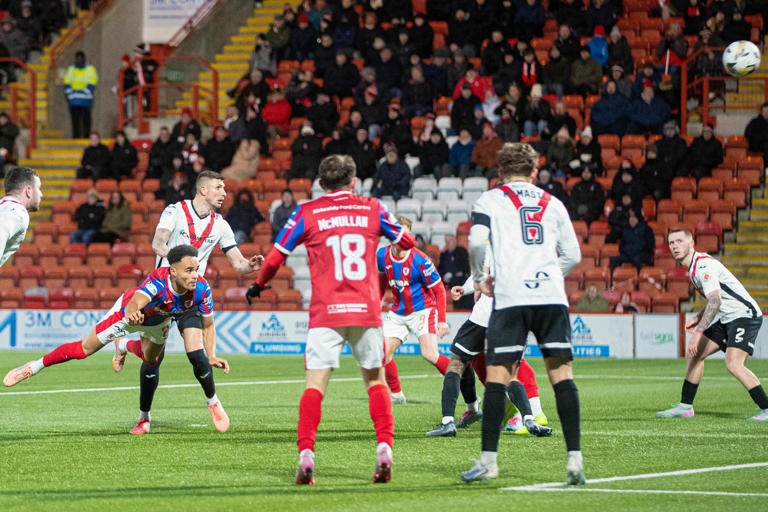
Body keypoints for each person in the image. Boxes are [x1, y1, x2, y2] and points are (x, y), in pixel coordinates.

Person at [245, 154, 416, 484]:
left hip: (326, 312)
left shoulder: (307, 211)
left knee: (315, 386)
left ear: (321, 184)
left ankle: (307, 456)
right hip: (365, 310)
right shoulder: (373, 207)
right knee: (376, 382)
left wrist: (259, 284)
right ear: (354, 181)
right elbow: (406, 241)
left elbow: (276, 257)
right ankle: (384, 450)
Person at [2, 245, 235, 431]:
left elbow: (208, 325)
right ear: (173, 271)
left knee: (150, 359)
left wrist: (212, 355)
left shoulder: (201, 288)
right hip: (128, 315)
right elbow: (136, 300)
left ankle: (123, 345)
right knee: (84, 350)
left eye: (196, 269)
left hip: (159, 321)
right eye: (189, 270)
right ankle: (33, 367)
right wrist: (132, 312)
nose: (194, 275)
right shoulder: (157, 283)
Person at [461, 142, 583, 484]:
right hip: (550, 297)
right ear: (535, 171)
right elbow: (573, 254)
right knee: (562, 376)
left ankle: (488, 462)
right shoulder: (553, 202)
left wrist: (480, 279)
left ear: (500, 171)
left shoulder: (490, 199)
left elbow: (476, 243)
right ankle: (574, 461)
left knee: (498, 377)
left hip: (511, 296)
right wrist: (548, 274)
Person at [132, 171, 262, 435]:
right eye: (219, 187)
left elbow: (238, 262)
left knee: (196, 353)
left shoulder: (220, 225)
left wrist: (249, 266)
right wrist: (179, 261)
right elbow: (158, 242)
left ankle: (213, 401)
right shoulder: (175, 211)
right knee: (152, 360)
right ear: (203, 189)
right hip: (162, 294)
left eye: (224, 188)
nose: (224, 193)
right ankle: (144, 417)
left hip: (190, 295)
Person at [426, 249, 550, 438]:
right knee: (510, 375)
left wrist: (468, 288)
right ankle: (529, 418)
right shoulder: (526, 251)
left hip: (482, 318)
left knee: (457, 364)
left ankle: (448, 422)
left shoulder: (492, 244)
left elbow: (480, 276)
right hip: (512, 320)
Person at [657, 229, 768, 422]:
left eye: (680, 241)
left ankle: (766, 407)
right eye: (671, 242)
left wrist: (697, 333)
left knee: (733, 363)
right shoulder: (694, 266)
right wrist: (698, 317)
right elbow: (717, 299)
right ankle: (685, 406)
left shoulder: (703, 267)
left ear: (691, 243)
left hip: (745, 315)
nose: (675, 246)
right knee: (695, 355)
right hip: (728, 317)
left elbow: (715, 301)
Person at [376, 216, 451, 404]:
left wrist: (442, 320)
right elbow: (383, 278)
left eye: (406, 234)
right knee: (382, 353)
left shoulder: (420, 260)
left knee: (429, 354)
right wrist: (377, 301)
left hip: (423, 310)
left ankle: (464, 381)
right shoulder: (382, 255)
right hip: (398, 312)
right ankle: (397, 395)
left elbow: (439, 290)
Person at [0, 166, 41, 267]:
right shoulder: (18, 211)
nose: (41, 194)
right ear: (28, 190)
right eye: (39, 188)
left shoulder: (4, 205)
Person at [64, 51, 98, 138]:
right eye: (77, 58)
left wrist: (84, 92)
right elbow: (67, 82)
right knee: (75, 121)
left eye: (80, 58)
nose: (78, 60)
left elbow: (93, 81)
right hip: (74, 101)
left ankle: (86, 138)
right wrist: (70, 93)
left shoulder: (90, 69)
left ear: (84, 59)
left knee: (86, 121)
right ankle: (76, 138)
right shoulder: (71, 69)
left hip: (85, 100)